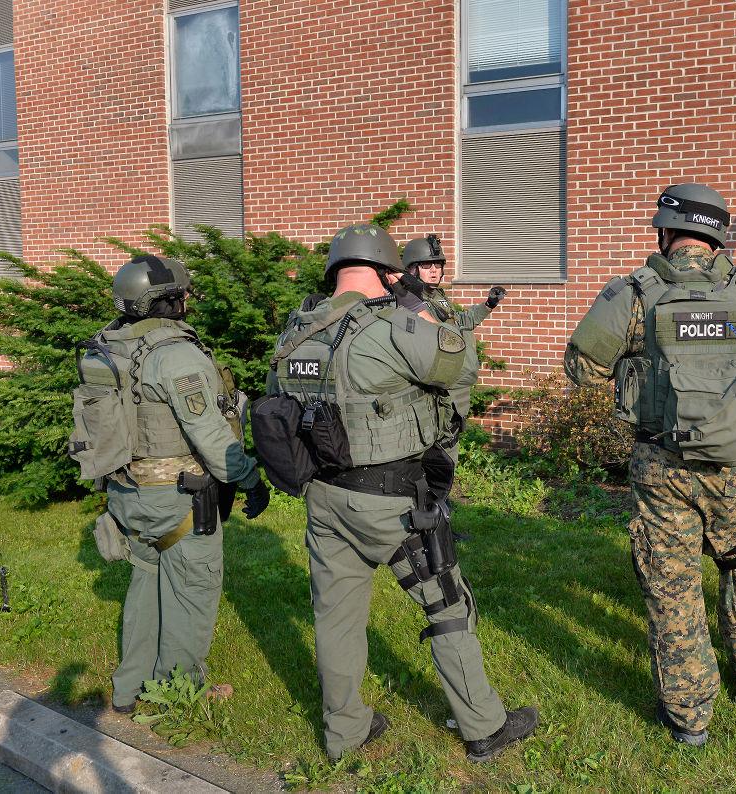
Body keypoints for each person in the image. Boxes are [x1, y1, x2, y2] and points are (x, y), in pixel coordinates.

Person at [565, 183, 736, 746]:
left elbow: (583, 370)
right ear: (717, 236)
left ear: (665, 230)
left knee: (673, 584)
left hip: (662, 469)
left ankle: (689, 716)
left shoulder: (633, 293)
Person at [267, 223, 536, 761]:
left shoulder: (298, 331)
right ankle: (484, 725)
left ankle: (344, 731)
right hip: (391, 502)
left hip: (324, 497)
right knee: (448, 605)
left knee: (335, 616)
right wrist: (419, 313)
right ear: (391, 271)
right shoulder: (393, 325)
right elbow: (462, 364)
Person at [68, 255, 271, 713]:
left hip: (124, 494)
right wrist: (250, 480)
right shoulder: (175, 354)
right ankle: (175, 698)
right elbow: (213, 436)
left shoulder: (107, 345)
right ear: (170, 301)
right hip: (177, 498)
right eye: (181, 295)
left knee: (145, 583)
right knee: (191, 593)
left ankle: (129, 691)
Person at [400, 234, 506, 462]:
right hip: (439, 387)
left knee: (450, 442)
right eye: (426, 265)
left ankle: (439, 493)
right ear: (411, 269)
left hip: (457, 384)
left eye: (437, 265)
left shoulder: (437, 296)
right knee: (439, 447)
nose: (434, 270)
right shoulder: (410, 301)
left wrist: (489, 304)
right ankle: (434, 495)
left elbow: (461, 322)